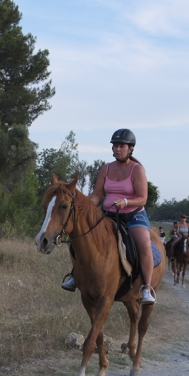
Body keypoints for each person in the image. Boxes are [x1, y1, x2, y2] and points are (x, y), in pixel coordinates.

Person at [61, 129, 156, 305]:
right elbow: (97, 195)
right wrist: (86, 207)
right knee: (77, 241)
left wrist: (126, 202)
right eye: (115, 146)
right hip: (108, 215)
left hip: (133, 216)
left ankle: (147, 288)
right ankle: (75, 276)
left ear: (131, 149)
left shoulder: (137, 170)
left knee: (144, 245)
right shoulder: (106, 169)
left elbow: (143, 198)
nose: (117, 149)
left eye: (121, 146)